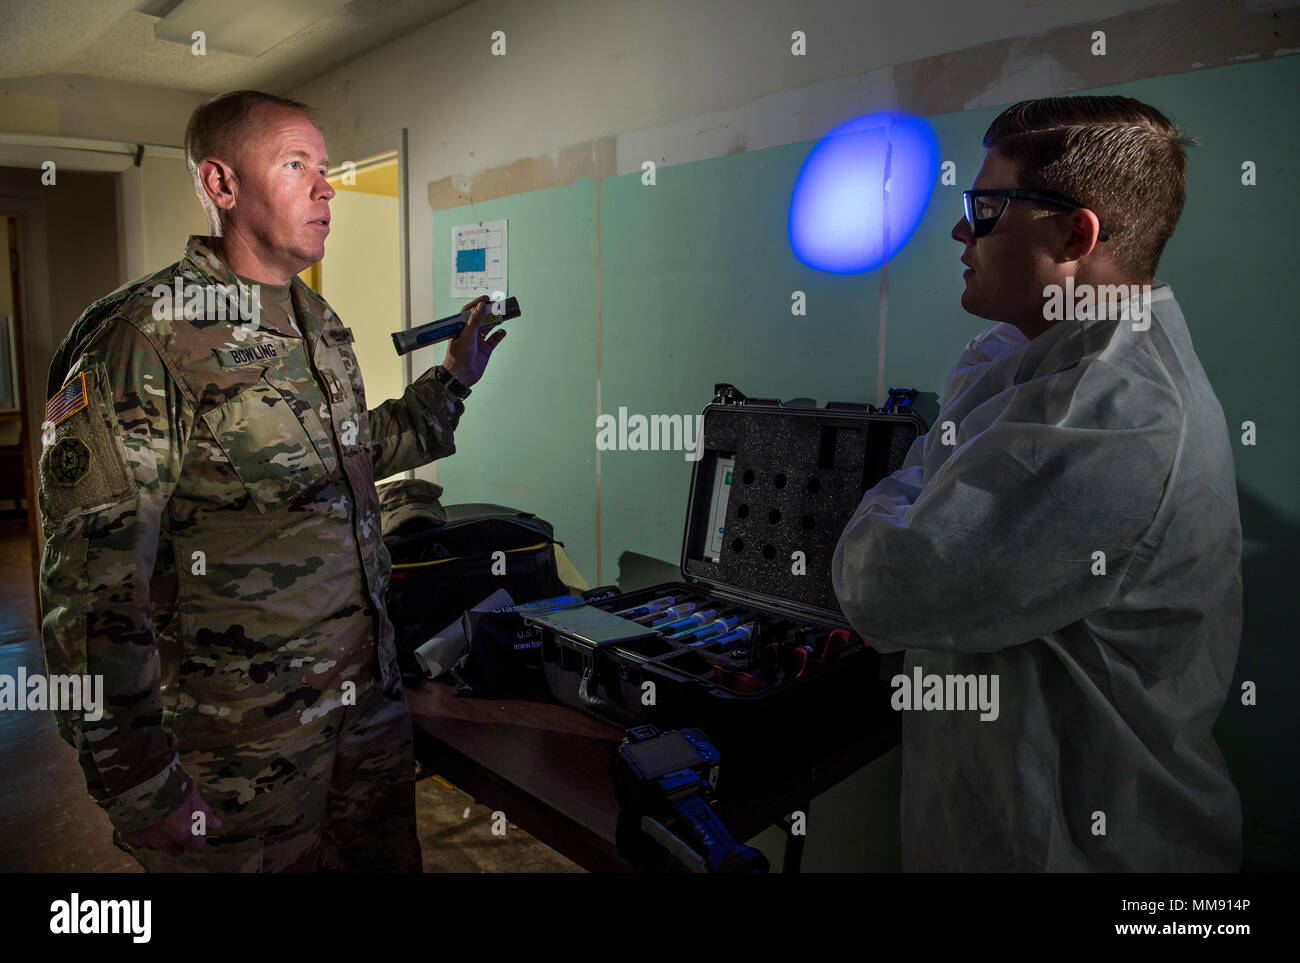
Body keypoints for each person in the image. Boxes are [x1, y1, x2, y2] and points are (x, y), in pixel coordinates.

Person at [36, 89, 504, 872]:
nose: (327, 188)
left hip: (366, 723)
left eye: (327, 169)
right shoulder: (141, 343)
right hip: (236, 758)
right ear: (222, 185)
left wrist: (452, 380)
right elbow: (91, 591)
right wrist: (139, 780)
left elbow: (352, 458)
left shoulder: (317, 325)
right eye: (297, 165)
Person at [832, 96, 1242, 871]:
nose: (961, 231)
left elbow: (889, 582)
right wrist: (916, 489)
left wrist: (902, 493)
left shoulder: (1124, 420)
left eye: (986, 208)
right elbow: (922, 498)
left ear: (1076, 235)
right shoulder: (1011, 358)